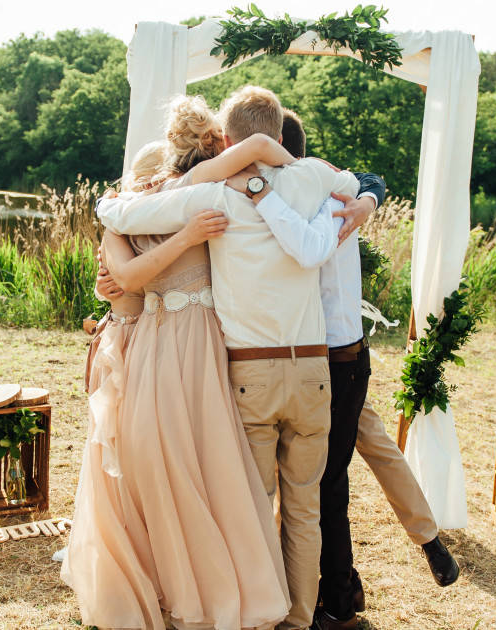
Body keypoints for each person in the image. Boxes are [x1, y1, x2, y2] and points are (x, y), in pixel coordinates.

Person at [95, 85, 361, 630]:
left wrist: (116, 204)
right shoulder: (311, 178)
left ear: (228, 141)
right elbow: (355, 182)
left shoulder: (212, 196)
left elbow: (122, 213)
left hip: (249, 371)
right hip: (311, 371)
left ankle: (260, 611)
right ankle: (297, 620)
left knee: (251, 503)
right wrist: (364, 200)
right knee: (305, 507)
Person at [62, 95, 304, 630]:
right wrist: (186, 237)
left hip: (199, 338)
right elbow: (127, 281)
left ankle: (204, 585)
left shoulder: (194, 191)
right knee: (158, 455)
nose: (152, 186)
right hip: (158, 338)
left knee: (207, 458)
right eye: (146, 183)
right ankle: (166, 582)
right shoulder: (130, 219)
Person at [248, 110, 460, 629]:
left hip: (327, 363)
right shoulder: (334, 186)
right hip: (343, 358)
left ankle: (339, 602)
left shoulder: (293, 199)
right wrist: (368, 197)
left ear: (274, 147)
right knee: (371, 448)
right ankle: (422, 544)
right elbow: (370, 178)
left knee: (324, 484)